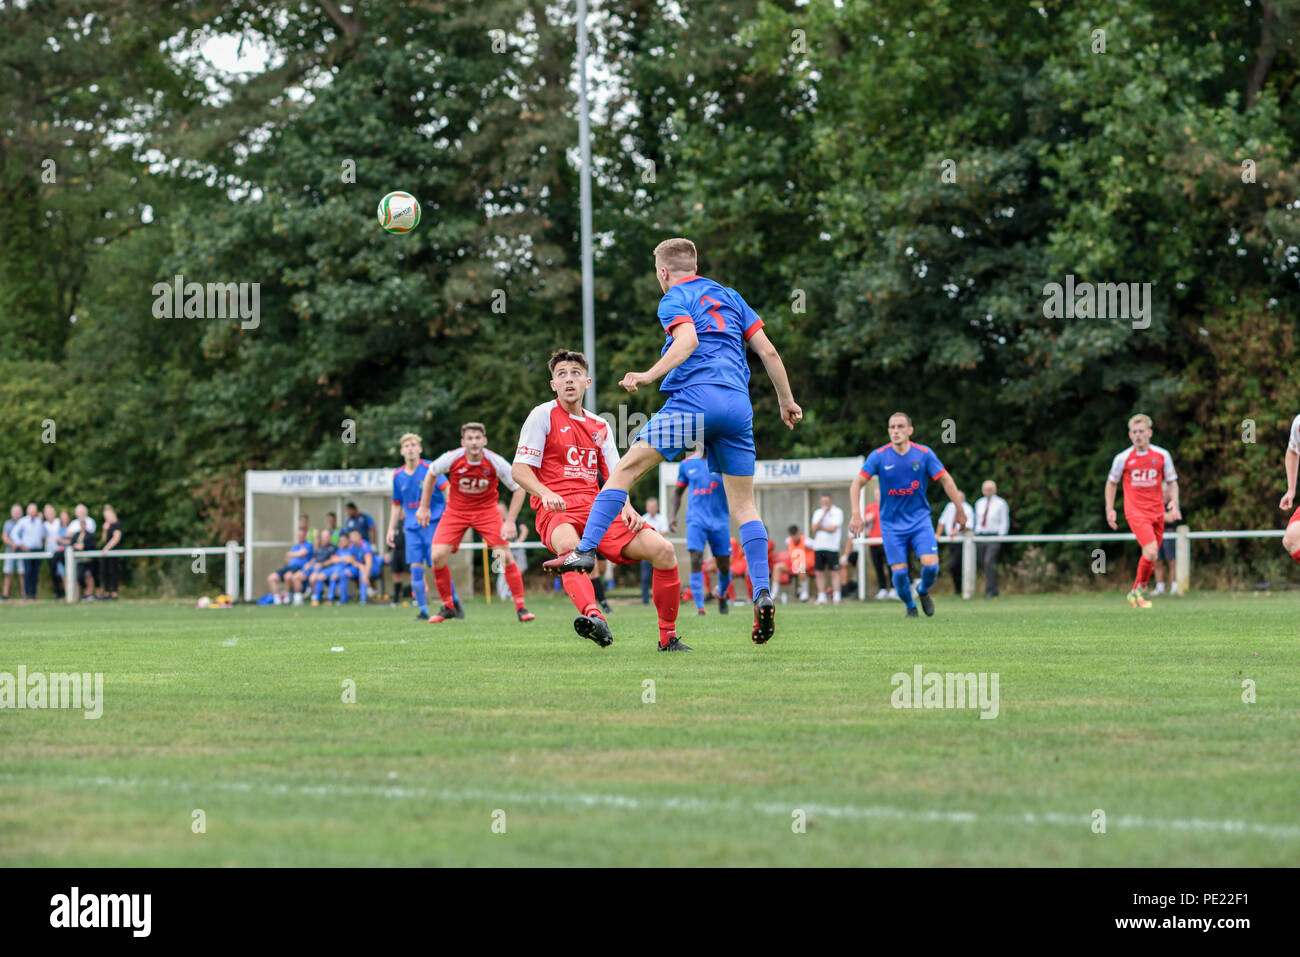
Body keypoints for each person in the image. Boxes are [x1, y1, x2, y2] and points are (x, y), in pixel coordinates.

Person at [541, 237, 802, 646]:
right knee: (745, 505)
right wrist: (786, 400)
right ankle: (762, 592)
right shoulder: (731, 297)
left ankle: (585, 550)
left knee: (625, 470)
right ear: (694, 264)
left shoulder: (673, 298)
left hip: (694, 401)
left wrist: (647, 375)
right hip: (737, 405)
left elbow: (688, 341)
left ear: (663, 272)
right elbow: (769, 353)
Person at [513, 350, 685, 650]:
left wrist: (628, 507)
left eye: (576, 373)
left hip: (597, 508)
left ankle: (667, 639)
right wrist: (545, 492)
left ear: (587, 382)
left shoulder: (600, 426)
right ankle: (595, 618)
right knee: (569, 547)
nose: (569, 379)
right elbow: (519, 470)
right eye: (562, 374)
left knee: (664, 550)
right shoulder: (542, 415)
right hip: (557, 509)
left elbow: (620, 474)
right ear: (553, 384)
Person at [849, 413, 967, 618]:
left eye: (900, 426)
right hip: (891, 524)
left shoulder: (924, 454)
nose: (895, 431)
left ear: (910, 430)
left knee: (931, 566)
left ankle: (922, 591)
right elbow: (857, 483)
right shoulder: (879, 456)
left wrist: (960, 509)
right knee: (900, 573)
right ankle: (910, 605)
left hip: (920, 520)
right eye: (892, 427)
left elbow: (946, 480)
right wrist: (855, 514)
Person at [417, 422, 533, 624]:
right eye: (469, 438)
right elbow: (431, 473)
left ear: (484, 441)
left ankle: (521, 607)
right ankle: (448, 606)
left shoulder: (494, 461)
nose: (474, 442)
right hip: (456, 512)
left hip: (487, 512)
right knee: (436, 556)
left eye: (477, 438)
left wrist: (510, 521)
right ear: (463, 442)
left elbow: (519, 488)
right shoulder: (452, 458)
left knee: (504, 556)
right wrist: (424, 507)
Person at [1105, 413, 1179, 608]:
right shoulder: (1122, 458)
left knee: (1152, 555)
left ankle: (1136, 590)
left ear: (1150, 433)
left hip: (1157, 511)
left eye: (1142, 431)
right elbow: (1111, 483)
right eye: (1134, 432)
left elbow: (1172, 482)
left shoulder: (1162, 455)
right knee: (1152, 549)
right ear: (1130, 435)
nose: (1138, 435)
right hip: (1136, 511)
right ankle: (1139, 590)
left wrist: (1174, 502)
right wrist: (1110, 508)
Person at [388, 433, 461, 621]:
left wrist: (449, 516)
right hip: (411, 528)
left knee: (438, 565)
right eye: (407, 446)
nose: (410, 448)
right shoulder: (397, 475)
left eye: (414, 445)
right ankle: (423, 610)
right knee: (415, 570)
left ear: (419, 449)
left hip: (434, 524)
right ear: (402, 450)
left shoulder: (431, 468)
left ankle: (453, 602)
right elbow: (396, 504)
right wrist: (391, 529)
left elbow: (448, 489)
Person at [669, 447, 732, 616]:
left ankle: (722, 594)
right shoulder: (687, 464)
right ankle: (700, 607)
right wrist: (673, 517)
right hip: (696, 520)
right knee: (696, 558)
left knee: (724, 566)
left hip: (720, 521)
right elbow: (677, 493)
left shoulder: (724, 462)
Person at [972, 480, 1011, 598]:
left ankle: (991, 591)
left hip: (994, 536)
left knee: (989, 562)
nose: (988, 492)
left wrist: (1001, 536)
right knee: (983, 563)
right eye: (986, 489)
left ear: (994, 490)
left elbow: (1004, 521)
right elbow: (976, 520)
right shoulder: (979, 503)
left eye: (990, 489)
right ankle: (991, 589)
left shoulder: (1001, 503)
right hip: (980, 536)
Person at [936, 491, 974, 594]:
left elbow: (969, 526)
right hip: (952, 541)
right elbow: (942, 521)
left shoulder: (967, 509)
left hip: (962, 542)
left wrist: (956, 530)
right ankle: (958, 590)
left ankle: (962, 590)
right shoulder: (950, 506)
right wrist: (937, 534)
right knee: (955, 566)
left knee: (955, 565)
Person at [810, 493, 844, 605]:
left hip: (832, 547)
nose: (825, 504)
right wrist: (823, 514)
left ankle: (837, 597)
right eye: (823, 502)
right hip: (819, 546)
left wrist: (821, 527)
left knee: (834, 572)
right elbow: (814, 528)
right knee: (819, 572)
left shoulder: (837, 512)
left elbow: (833, 528)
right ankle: (821, 596)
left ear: (831, 501)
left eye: (826, 502)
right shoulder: (818, 513)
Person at [496, 500, 530, 600]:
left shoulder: (514, 519)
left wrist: (519, 541)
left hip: (516, 547)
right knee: (503, 571)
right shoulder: (496, 520)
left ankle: (512, 592)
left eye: (501, 508)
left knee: (520, 569)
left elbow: (524, 529)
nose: (500, 510)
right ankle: (502, 594)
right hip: (502, 547)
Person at [268, 527, 313, 604]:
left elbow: (302, 553)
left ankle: (287, 598)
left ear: (305, 536)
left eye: (302, 535)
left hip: (298, 568)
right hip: (289, 567)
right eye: (299, 535)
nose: (300, 537)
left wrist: (291, 554)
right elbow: (287, 559)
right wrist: (292, 555)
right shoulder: (295, 547)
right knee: (271, 578)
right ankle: (277, 600)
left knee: (288, 576)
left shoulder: (308, 545)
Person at [65, 504, 98, 600]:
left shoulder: (90, 525)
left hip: (89, 558)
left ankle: (89, 594)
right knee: (79, 576)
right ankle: (81, 595)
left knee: (89, 576)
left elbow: (91, 541)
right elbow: (70, 540)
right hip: (79, 559)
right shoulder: (77, 533)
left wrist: (83, 546)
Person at [639, 497, 668, 604]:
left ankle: (661, 600)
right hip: (646, 553)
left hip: (659, 553)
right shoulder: (643, 518)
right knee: (645, 577)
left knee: (661, 577)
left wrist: (650, 538)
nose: (652, 508)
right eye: (650, 506)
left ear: (657, 507)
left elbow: (663, 533)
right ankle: (645, 601)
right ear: (647, 507)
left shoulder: (662, 519)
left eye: (654, 506)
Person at [13, 503, 45, 600]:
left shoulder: (39, 521)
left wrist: (42, 521)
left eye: (34, 510)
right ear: (27, 511)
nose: (32, 512)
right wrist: (21, 544)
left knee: (35, 572)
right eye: (31, 510)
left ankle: (34, 593)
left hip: (37, 550)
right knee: (27, 571)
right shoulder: (23, 521)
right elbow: (14, 533)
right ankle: (26, 594)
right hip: (27, 550)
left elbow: (43, 534)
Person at [1152, 503, 1180, 595]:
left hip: (1169, 534)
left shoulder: (1171, 503)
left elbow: (1171, 518)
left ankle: (1174, 587)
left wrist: (1155, 515)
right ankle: (1160, 587)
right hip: (1156, 534)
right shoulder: (1153, 503)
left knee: (1171, 561)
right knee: (1157, 561)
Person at [785, 525, 814, 602]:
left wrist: (811, 562)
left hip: (807, 565)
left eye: (795, 535)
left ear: (798, 533)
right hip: (793, 565)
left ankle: (804, 593)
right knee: (778, 567)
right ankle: (773, 594)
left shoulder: (807, 541)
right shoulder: (788, 541)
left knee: (801, 567)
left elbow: (816, 549)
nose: (794, 537)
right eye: (792, 535)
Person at [99, 506, 122, 599]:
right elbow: (104, 540)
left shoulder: (117, 524)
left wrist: (107, 548)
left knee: (113, 571)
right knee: (105, 572)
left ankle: (114, 592)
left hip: (113, 551)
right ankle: (107, 592)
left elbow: (116, 538)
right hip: (106, 552)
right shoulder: (107, 525)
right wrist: (104, 529)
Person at [42, 505, 65, 600]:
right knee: (54, 573)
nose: (49, 514)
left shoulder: (59, 522)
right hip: (50, 552)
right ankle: (57, 592)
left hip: (59, 551)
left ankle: (66, 591)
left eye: (51, 512)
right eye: (47, 513)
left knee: (62, 572)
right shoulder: (44, 524)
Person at [3, 504, 23, 601]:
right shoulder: (8, 523)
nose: (16, 514)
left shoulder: (23, 522)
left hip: (21, 551)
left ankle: (24, 594)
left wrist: (19, 545)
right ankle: (5, 594)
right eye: (15, 512)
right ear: (12, 513)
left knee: (22, 573)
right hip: (10, 551)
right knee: (8, 572)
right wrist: (12, 544)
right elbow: (4, 537)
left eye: (18, 512)